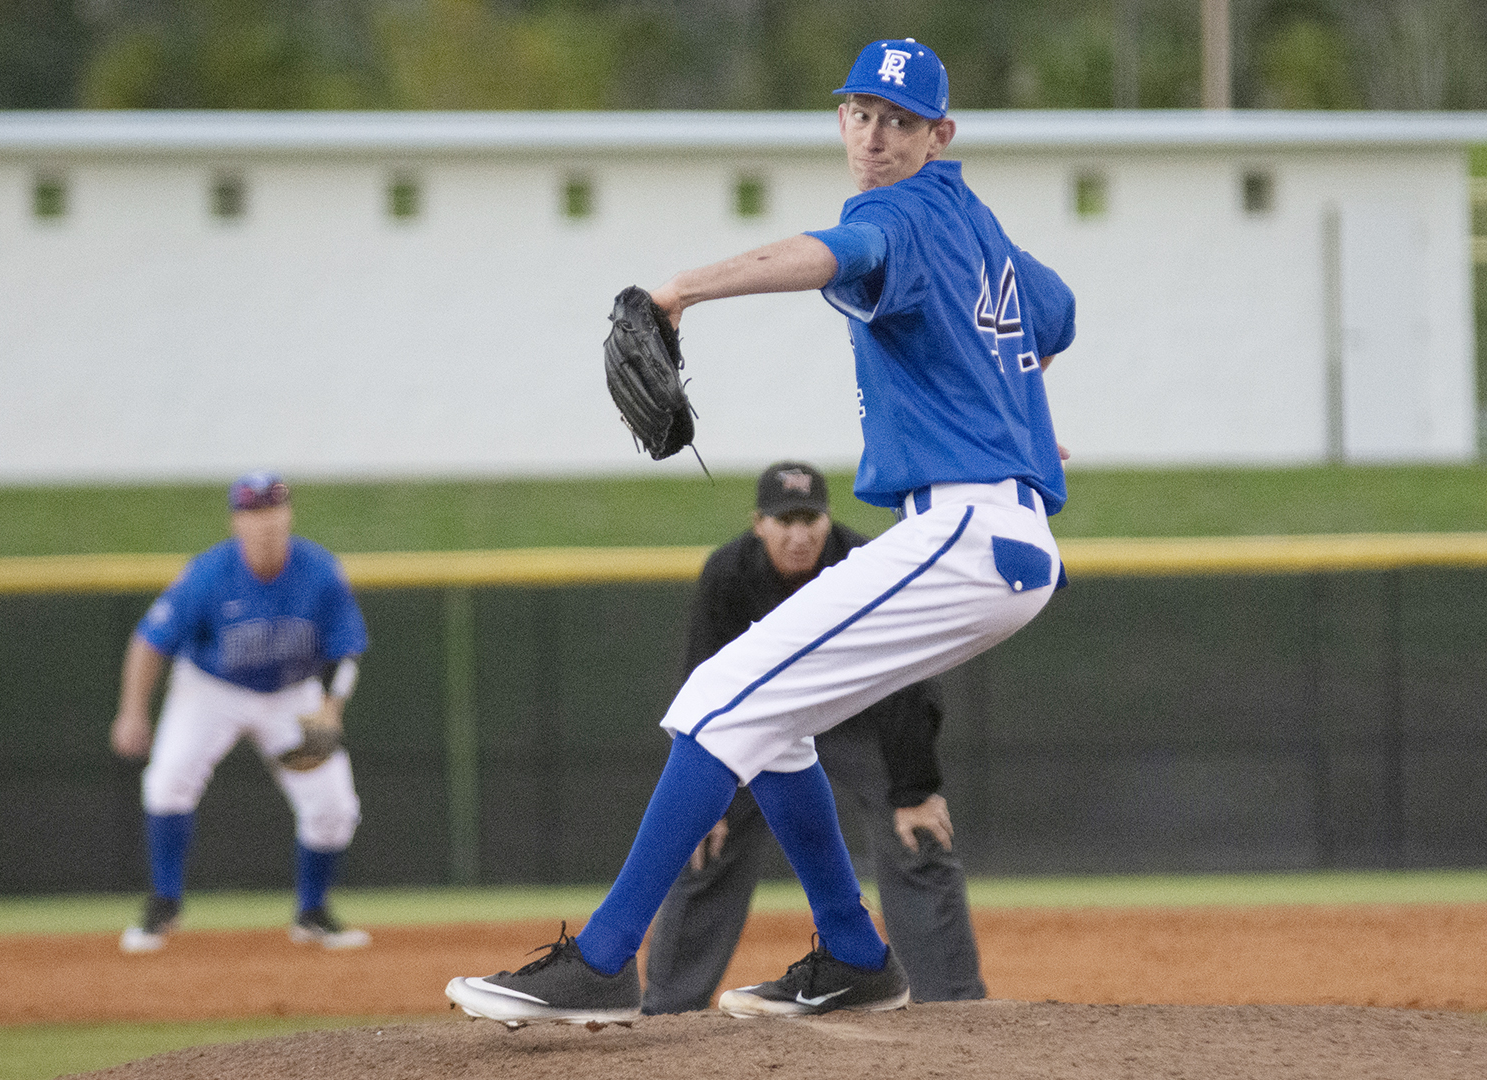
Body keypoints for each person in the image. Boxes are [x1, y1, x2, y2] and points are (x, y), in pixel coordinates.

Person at [446, 36, 1073, 1026]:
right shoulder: (979, 228)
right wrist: (1020, 423)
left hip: (967, 533)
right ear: (840, 118)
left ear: (938, 134)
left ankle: (606, 958)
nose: (876, 134)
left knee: (718, 695)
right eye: (861, 112)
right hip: (1000, 534)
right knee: (770, 721)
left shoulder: (894, 215)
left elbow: (838, 252)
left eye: (900, 120)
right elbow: (1056, 314)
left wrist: (681, 290)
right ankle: (859, 956)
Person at [641, 461, 986, 1015]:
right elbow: (702, 683)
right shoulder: (728, 575)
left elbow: (907, 679)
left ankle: (955, 1006)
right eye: (785, 521)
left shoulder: (865, 562)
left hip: (858, 719)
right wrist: (708, 802)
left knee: (917, 834)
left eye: (811, 519)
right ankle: (668, 1010)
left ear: (828, 521)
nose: (799, 535)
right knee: (708, 839)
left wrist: (915, 791)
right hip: (764, 725)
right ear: (759, 524)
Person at [110, 471, 372, 953]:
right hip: (211, 688)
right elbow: (149, 642)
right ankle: (163, 906)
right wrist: (132, 712)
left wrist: (332, 709)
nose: (264, 522)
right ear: (236, 522)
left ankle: (312, 914)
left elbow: (346, 650)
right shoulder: (208, 574)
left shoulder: (319, 571)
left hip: (294, 693)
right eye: (252, 512)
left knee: (335, 807)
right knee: (168, 779)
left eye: (273, 510)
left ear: (288, 515)